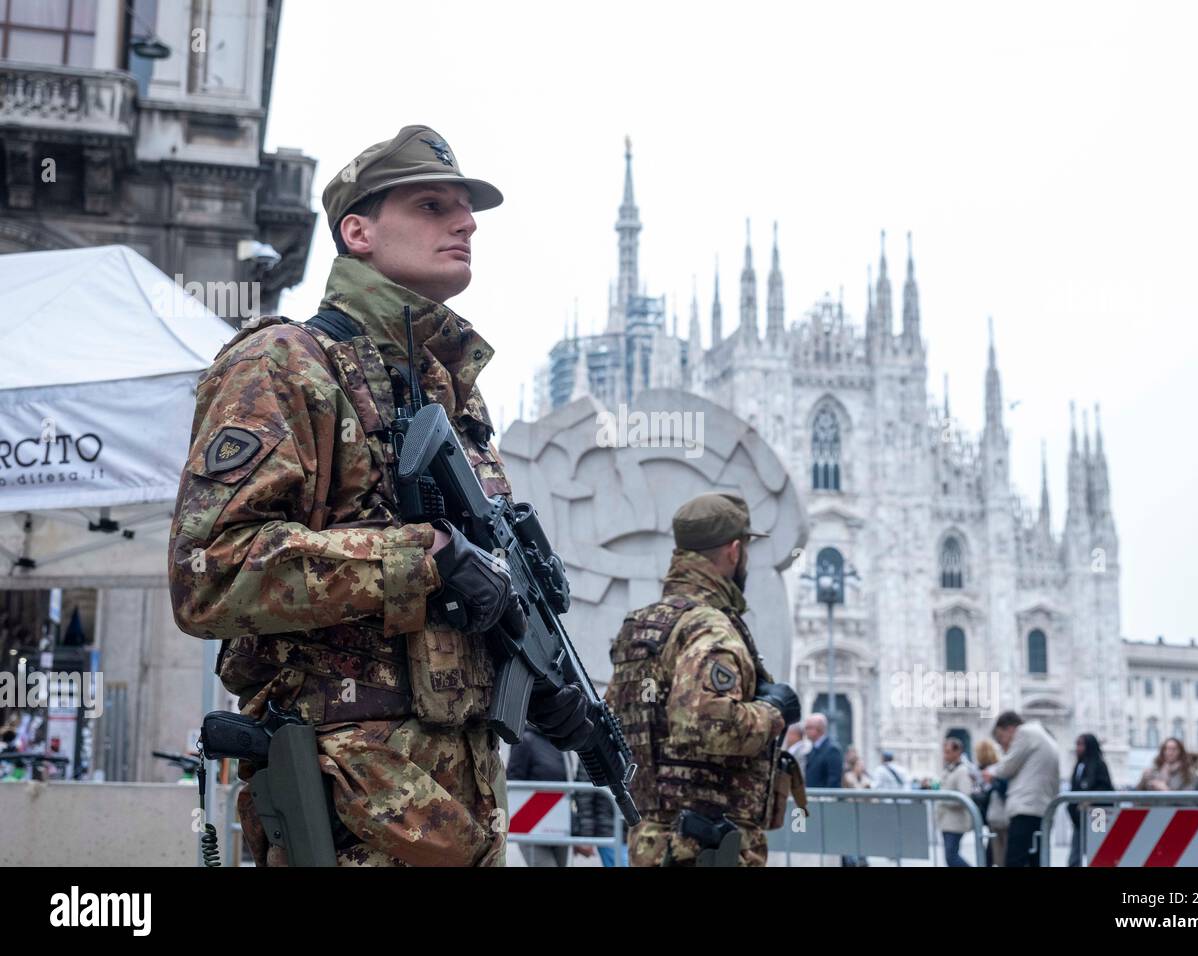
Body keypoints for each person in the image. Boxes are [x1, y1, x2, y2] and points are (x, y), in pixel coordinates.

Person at [168, 125, 591, 866]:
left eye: (465, 212)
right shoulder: (285, 364)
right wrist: (418, 558)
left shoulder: (451, 393)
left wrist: (531, 671)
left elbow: (464, 594)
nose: (464, 224)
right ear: (356, 231)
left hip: (458, 812)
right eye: (432, 206)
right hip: (349, 808)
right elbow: (209, 571)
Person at [605, 493, 800, 867]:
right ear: (734, 550)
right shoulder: (708, 627)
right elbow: (707, 724)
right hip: (707, 846)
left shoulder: (640, 626)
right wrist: (773, 711)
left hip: (652, 840)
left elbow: (617, 720)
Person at [982, 711, 1060, 867]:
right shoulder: (1043, 735)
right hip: (1041, 808)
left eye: (1001, 738)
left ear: (1010, 729)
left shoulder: (1025, 733)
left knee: (1014, 861)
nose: (1004, 746)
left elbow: (1007, 767)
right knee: (1035, 860)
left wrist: (990, 771)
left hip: (1026, 808)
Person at [506, 726, 574, 867]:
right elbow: (513, 782)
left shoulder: (561, 742)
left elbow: (569, 783)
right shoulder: (525, 741)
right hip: (531, 827)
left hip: (560, 826)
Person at [1067, 733, 1114, 867]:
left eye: (1081, 744)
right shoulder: (1079, 765)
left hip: (1096, 815)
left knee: (1097, 852)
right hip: (1079, 817)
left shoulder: (1099, 765)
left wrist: (1090, 800)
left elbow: (1105, 788)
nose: (1078, 748)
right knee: (1075, 856)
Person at [936, 736, 974, 867]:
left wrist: (943, 799)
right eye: (944, 751)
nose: (945, 755)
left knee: (951, 856)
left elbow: (964, 795)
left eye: (948, 752)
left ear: (957, 752)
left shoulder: (962, 771)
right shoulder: (949, 769)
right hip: (946, 821)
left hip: (955, 822)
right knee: (950, 856)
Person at [973, 739, 1008, 866]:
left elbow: (1000, 790)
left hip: (999, 816)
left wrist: (990, 781)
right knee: (992, 853)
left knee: (997, 854)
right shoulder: (984, 770)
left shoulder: (996, 770)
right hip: (993, 816)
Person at [803, 713, 844, 789]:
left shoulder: (832, 750)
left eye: (808, 728)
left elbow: (834, 780)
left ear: (819, 729)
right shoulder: (813, 749)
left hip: (824, 798)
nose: (805, 731)